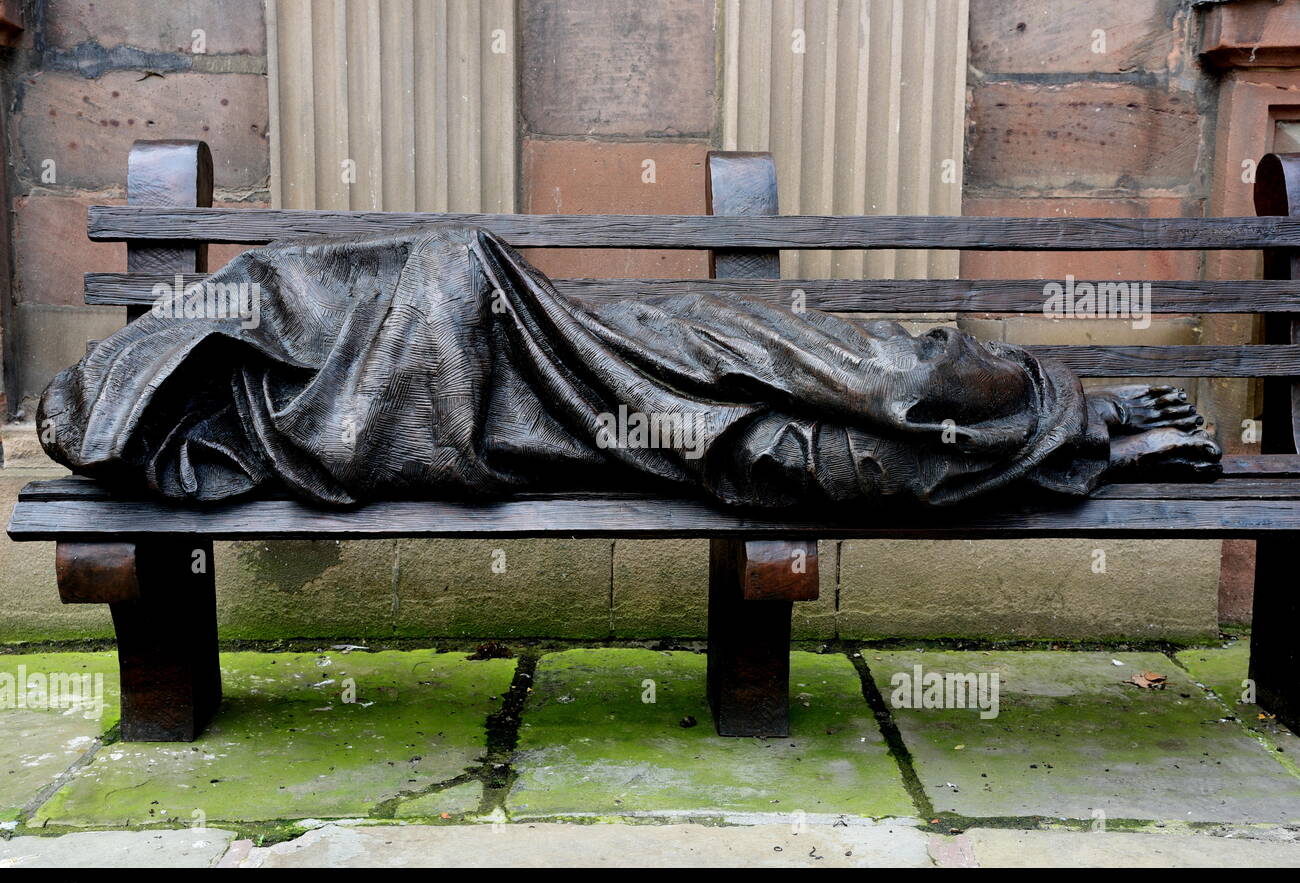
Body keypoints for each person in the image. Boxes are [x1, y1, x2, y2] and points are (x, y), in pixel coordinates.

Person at [38, 226, 1221, 509]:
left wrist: (463, 300)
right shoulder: (260, 439)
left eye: (143, 408)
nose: (160, 437)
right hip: (551, 425)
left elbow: (451, 265)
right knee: (780, 460)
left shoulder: (261, 291)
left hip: (586, 337)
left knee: (880, 372)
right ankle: (1091, 445)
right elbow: (382, 444)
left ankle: (1052, 411)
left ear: (165, 356)